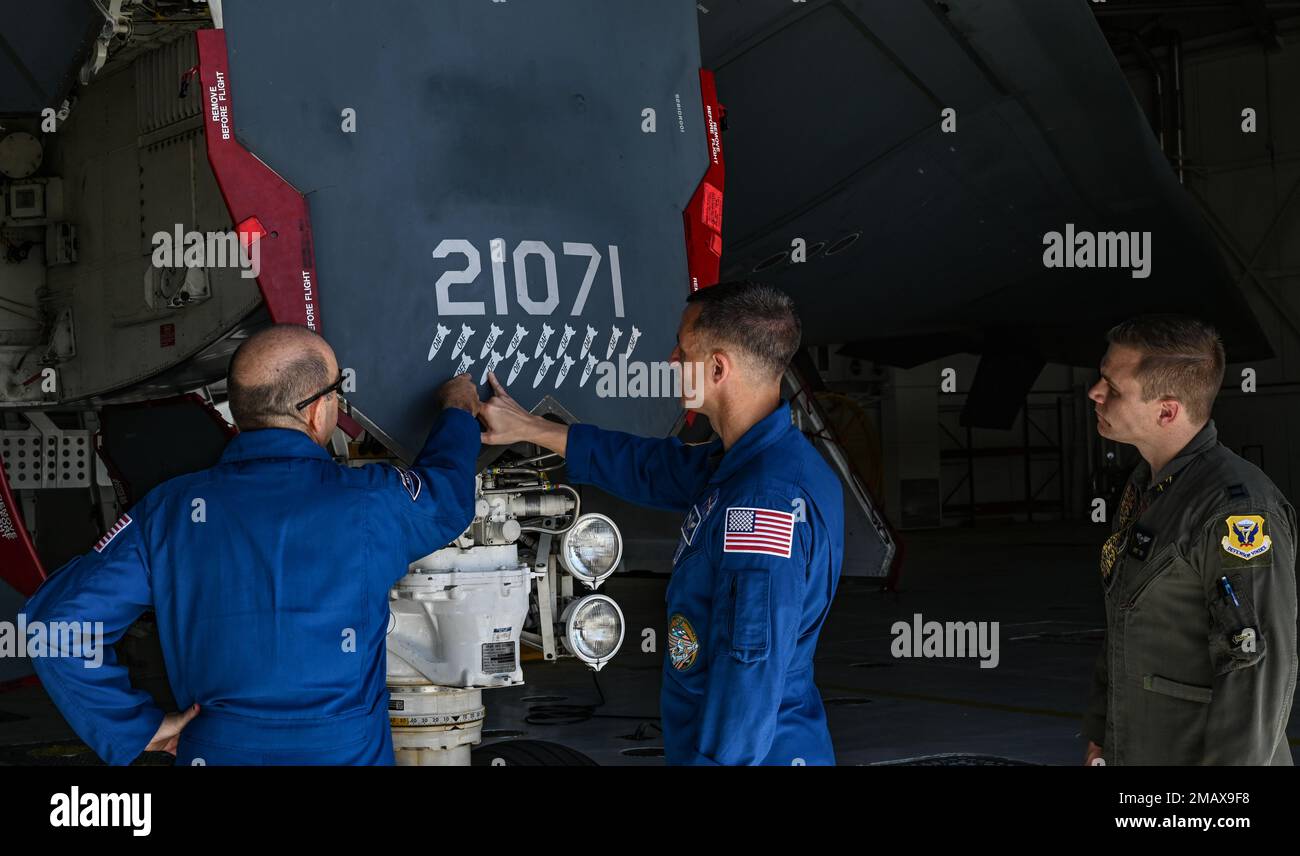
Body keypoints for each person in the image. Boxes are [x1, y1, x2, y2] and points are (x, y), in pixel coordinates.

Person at [23, 324, 481, 765]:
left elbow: (55, 625)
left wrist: (135, 727)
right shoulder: (374, 500)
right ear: (316, 410)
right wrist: (458, 410)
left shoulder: (170, 510)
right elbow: (447, 495)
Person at [479, 280, 844, 765]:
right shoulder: (758, 464)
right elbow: (650, 467)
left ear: (717, 368)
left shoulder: (762, 506)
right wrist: (530, 428)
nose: (672, 361)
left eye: (683, 348)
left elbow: (747, 672)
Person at [1083, 315, 1297, 765]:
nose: (1094, 394)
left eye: (1112, 388)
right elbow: (1125, 622)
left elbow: (1255, 670)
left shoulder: (1236, 511)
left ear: (1166, 410)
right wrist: (1103, 735)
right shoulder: (1151, 488)